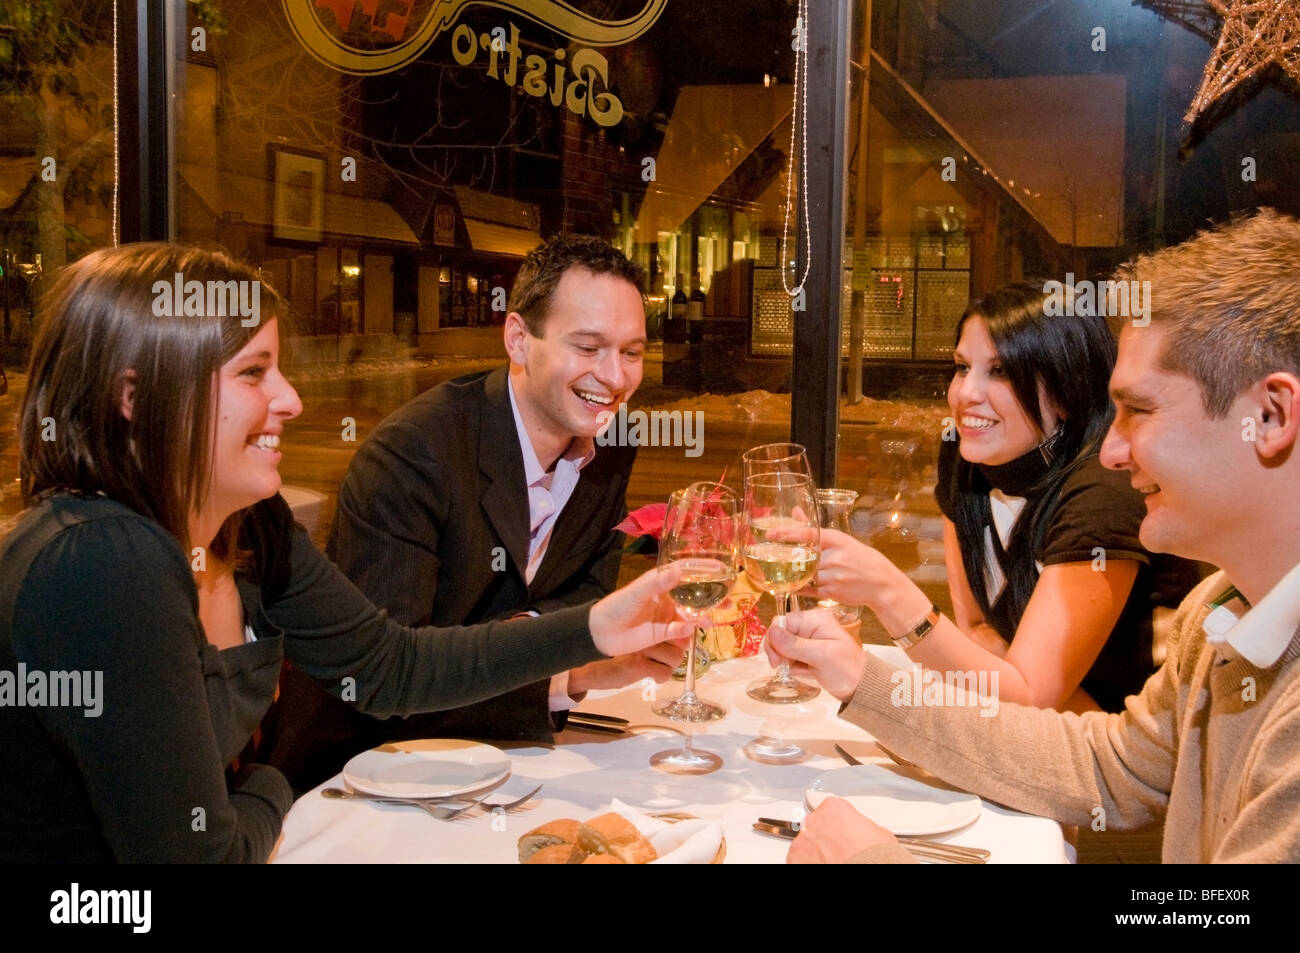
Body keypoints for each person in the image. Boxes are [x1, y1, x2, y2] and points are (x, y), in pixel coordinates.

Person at [0, 243, 694, 863]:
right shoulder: (103, 561)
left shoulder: (252, 525)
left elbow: (394, 665)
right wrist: (273, 776)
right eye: (253, 373)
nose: (292, 399)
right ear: (135, 398)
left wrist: (594, 632)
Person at [771, 209, 1300, 863]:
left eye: (1138, 410)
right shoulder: (1221, 610)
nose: (1110, 451)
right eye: (962, 367)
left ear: (1271, 416)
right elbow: (1104, 765)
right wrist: (865, 682)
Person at [262, 235, 677, 791]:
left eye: (632, 352)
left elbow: (584, 593)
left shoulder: (611, 440)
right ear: (518, 339)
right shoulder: (416, 452)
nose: (616, 377)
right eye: (588, 347)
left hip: (507, 761)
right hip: (360, 776)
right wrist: (567, 665)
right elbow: (386, 681)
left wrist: (556, 651)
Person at [810, 283, 1203, 712]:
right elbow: (974, 631)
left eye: (1000, 372)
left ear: (1065, 392)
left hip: (1123, 755)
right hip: (1033, 733)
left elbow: (1031, 696)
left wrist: (887, 592)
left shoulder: (1102, 493)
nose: (966, 394)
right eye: (962, 367)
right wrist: (1012, 676)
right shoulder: (965, 461)